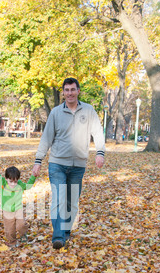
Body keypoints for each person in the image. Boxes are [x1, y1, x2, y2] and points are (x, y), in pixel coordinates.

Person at [32, 77, 105, 249]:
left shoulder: (88, 110)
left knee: (71, 202)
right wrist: (38, 160)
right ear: (63, 92)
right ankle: (58, 236)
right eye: (67, 90)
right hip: (57, 163)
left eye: (73, 89)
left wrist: (100, 153)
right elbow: (46, 138)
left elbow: (98, 133)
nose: (70, 93)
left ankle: (65, 232)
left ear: (78, 91)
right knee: (59, 199)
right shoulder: (56, 113)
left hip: (78, 166)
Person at [0, 153, 36, 247]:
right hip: (7, 210)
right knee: (10, 229)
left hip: (18, 208)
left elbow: (28, 186)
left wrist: (33, 176)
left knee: (21, 225)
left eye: (15, 181)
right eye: (11, 181)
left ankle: (23, 235)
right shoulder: (3, 183)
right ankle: (12, 242)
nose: (13, 184)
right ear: (6, 179)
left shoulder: (19, 185)